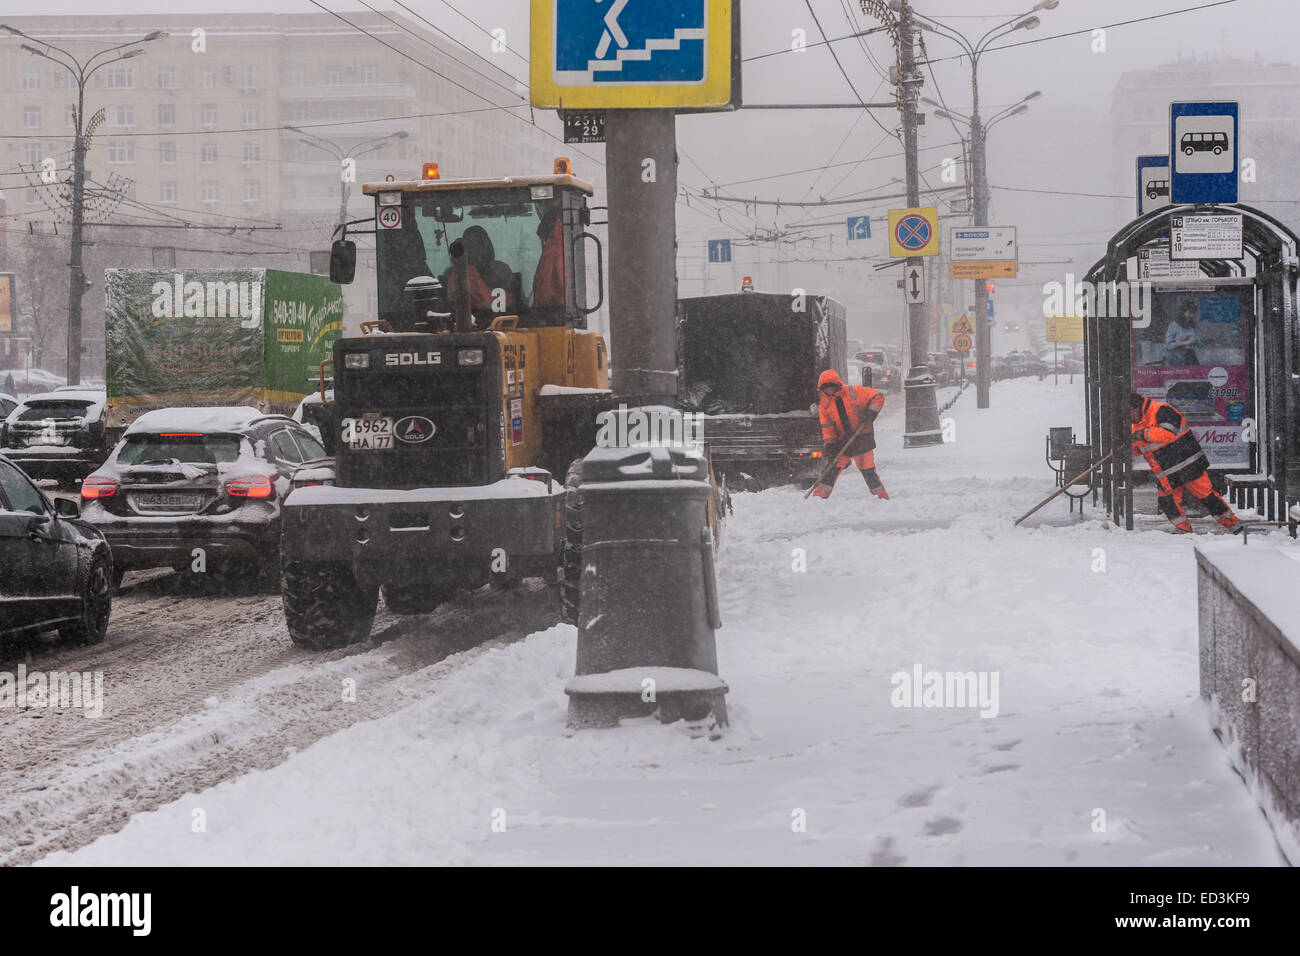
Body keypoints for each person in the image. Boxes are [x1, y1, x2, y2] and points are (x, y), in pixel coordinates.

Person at [1131, 392, 1239, 533]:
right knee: (1167, 501)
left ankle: (1235, 525)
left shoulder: (1161, 410)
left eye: (1129, 415)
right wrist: (1127, 449)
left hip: (1189, 465)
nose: (1129, 419)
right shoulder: (1136, 425)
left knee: (1206, 497)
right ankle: (1183, 529)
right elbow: (1142, 447)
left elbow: (1168, 433)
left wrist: (1143, 434)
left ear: (1135, 408)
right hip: (1168, 471)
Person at [811, 369, 887, 500]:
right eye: (826, 388)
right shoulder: (824, 405)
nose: (829, 390)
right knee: (831, 469)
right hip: (844, 440)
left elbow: (878, 396)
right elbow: (828, 427)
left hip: (862, 437)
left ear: (837, 384)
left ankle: (881, 497)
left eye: (831, 386)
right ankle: (818, 497)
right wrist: (830, 444)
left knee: (867, 470)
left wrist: (870, 414)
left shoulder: (853, 392)